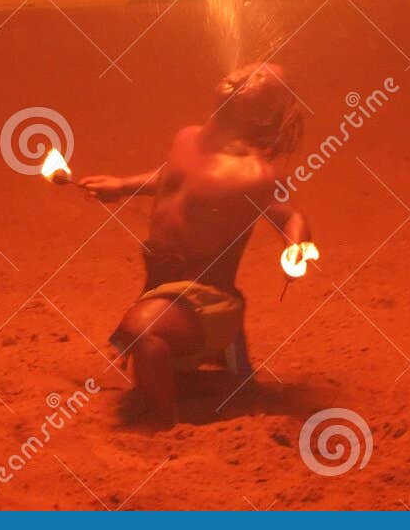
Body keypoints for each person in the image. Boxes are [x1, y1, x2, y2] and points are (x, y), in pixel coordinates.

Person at [78, 63, 313, 427]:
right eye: (244, 69)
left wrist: (295, 249)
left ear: (262, 112)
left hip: (205, 298)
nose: (238, 76)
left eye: (255, 81)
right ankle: (231, 377)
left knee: (143, 333)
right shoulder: (187, 137)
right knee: (153, 356)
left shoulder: (253, 174)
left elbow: (289, 216)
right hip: (162, 285)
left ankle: (163, 424)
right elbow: (173, 175)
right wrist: (123, 185)